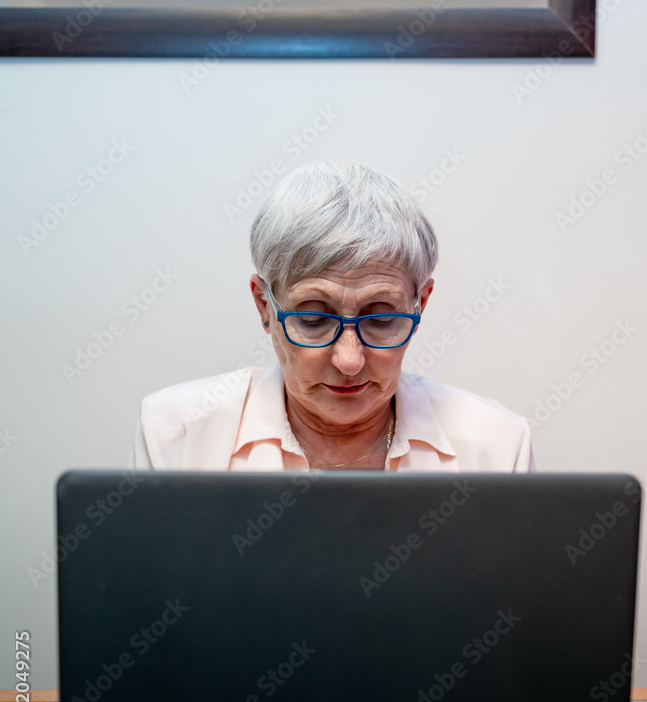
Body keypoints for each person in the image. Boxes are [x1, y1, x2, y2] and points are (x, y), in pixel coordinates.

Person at [131, 160, 535, 472]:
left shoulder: (497, 446)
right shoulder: (177, 433)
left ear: (420, 305)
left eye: (380, 319)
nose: (349, 360)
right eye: (313, 319)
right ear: (264, 305)